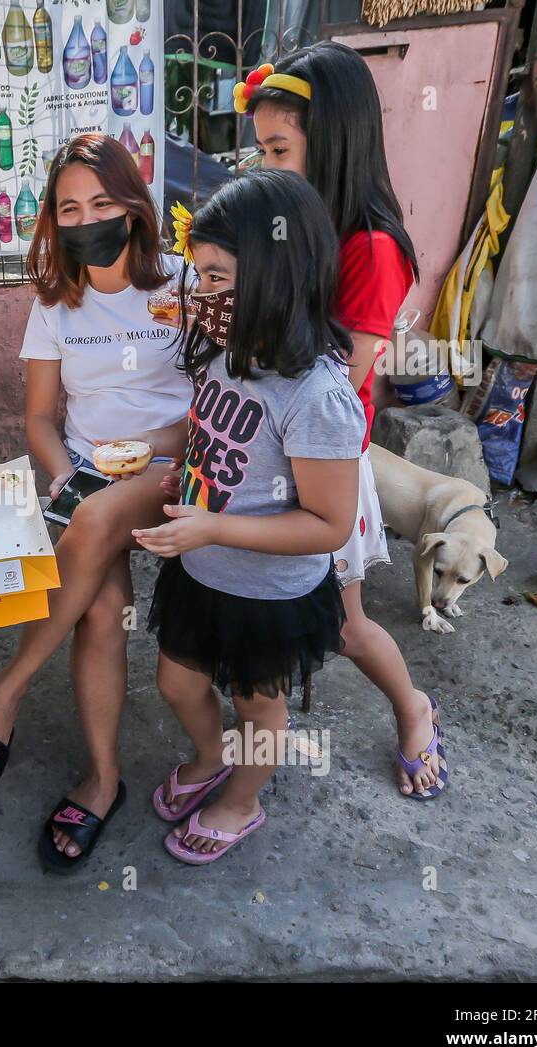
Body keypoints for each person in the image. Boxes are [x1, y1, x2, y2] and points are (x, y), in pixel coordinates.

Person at [0, 133, 191, 871]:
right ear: (54, 218)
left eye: (103, 202)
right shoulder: (56, 300)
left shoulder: (181, 283)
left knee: (102, 513)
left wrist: (144, 450)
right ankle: (104, 779)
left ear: (135, 207)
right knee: (105, 610)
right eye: (71, 207)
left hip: (170, 467)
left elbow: (210, 404)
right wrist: (60, 472)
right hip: (80, 475)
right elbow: (41, 419)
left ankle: (5, 695)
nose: (88, 219)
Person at [133, 169, 366, 863]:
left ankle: (244, 799)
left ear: (276, 274)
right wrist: (149, 445)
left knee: (258, 709)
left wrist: (212, 525)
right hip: (200, 572)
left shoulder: (319, 396)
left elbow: (329, 524)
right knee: (176, 680)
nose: (201, 295)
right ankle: (211, 759)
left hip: (268, 597)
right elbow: (208, 427)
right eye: (198, 278)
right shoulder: (230, 355)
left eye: (216, 278)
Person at [242, 42, 447, 799]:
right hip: (268, 448)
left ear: (332, 140)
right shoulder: (297, 219)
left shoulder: (371, 246)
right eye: (261, 150)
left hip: (321, 461)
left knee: (343, 621)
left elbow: (343, 378)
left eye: (279, 150)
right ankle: (257, 731)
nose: (266, 166)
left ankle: (414, 709)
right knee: (260, 597)